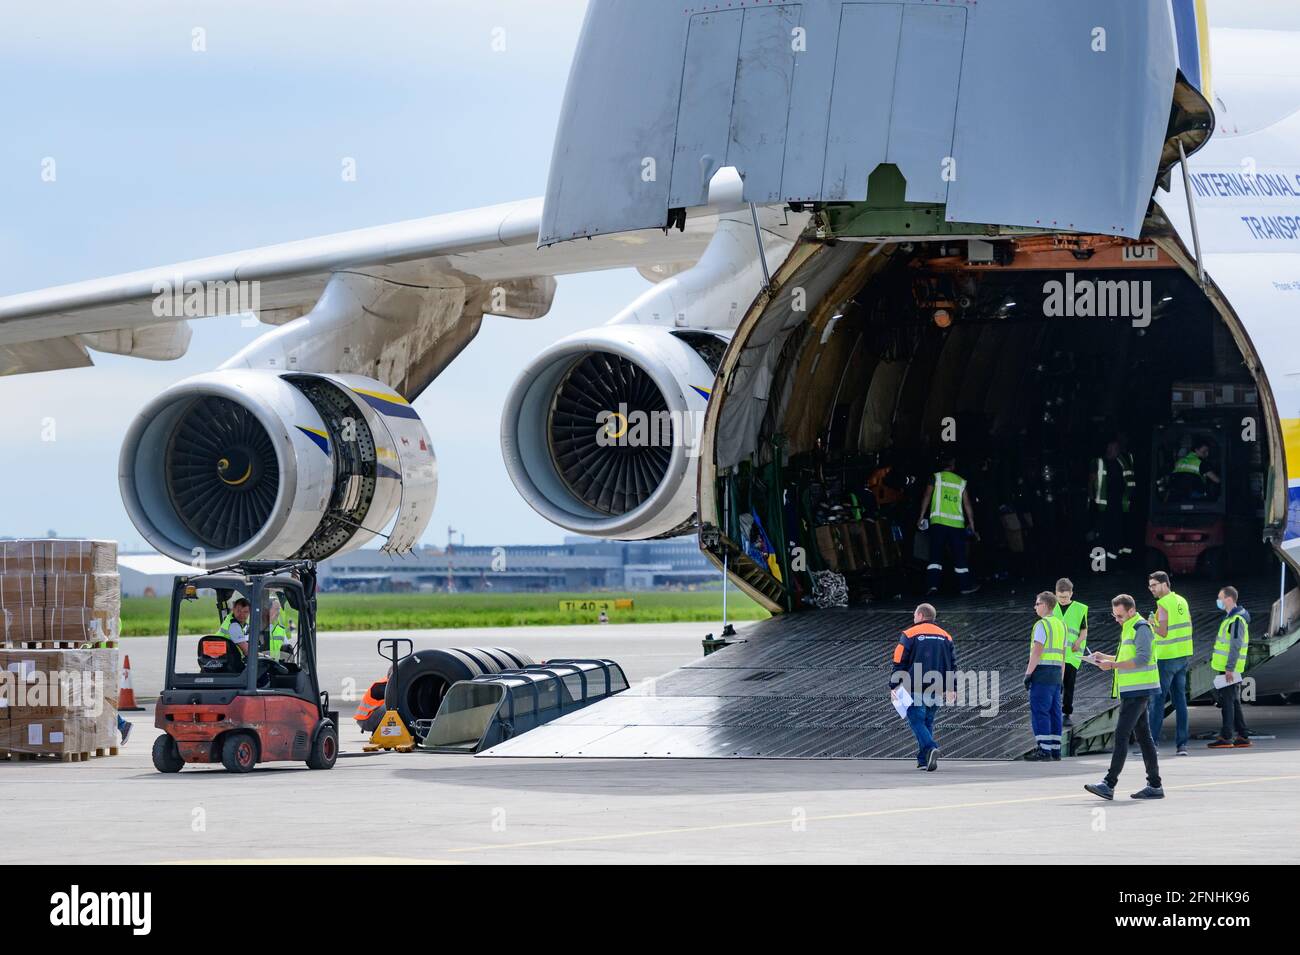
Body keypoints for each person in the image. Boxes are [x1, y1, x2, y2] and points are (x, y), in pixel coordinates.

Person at [1084, 594, 1164, 800]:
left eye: (1120, 616)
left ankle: (1109, 784)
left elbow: (1143, 658)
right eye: (1115, 616)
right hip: (1134, 690)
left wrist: (1112, 665)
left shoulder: (1141, 627)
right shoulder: (1130, 627)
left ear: (1130, 611)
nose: (1117, 620)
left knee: (1121, 735)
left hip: (1138, 691)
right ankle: (1155, 785)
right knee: (1144, 738)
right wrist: (1105, 657)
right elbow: (1127, 658)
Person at [890, 602, 957, 772]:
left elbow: (899, 660)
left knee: (916, 721)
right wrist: (952, 687)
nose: (913, 617)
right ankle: (923, 760)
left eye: (914, 615)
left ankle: (931, 747)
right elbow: (952, 664)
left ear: (920, 616)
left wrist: (894, 684)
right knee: (927, 722)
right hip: (937, 686)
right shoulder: (945, 636)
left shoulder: (909, 634)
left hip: (914, 686)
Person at [917, 455, 979, 596]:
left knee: (935, 556)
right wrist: (972, 524)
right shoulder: (961, 482)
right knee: (960, 556)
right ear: (953, 464)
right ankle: (965, 586)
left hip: (938, 522)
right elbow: (967, 504)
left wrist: (921, 516)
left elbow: (926, 496)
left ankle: (932, 586)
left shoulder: (935, 477)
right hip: (957, 524)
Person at [1147, 571, 1192, 755]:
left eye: (1154, 585)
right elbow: (1189, 623)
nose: (1152, 589)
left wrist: (1151, 623)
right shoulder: (1182, 601)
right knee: (1180, 701)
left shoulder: (1163, 604)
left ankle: (1152, 744)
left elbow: (1163, 632)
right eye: (1150, 586)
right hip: (1183, 656)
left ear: (1165, 584)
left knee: (1157, 701)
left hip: (1166, 658)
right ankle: (1182, 745)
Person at [1024, 591, 1066, 761]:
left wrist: (1028, 673)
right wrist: (1062, 678)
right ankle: (1055, 750)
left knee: (1040, 711)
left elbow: (1037, 651)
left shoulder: (1042, 625)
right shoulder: (1061, 625)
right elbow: (1063, 654)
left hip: (1042, 672)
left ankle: (1044, 749)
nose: (1035, 607)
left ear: (1046, 605)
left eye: (1037, 604)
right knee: (1055, 711)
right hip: (1056, 674)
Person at [1208, 585, 1252, 749]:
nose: (1218, 601)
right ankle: (1243, 735)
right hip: (1229, 667)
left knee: (1227, 702)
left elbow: (1235, 645)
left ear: (1228, 599)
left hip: (1229, 668)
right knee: (1233, 701)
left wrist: (1229, 668)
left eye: (1220, 598)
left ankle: (1226, 736)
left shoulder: (1236, 620)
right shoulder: (1232, 618)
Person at [1052, 578, 1088, 727]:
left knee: (1069, 684)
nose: (1063, 600)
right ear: (1056, 594)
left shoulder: (1079, 609)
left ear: (1071, 594)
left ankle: (1066, 713)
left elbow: (1084, 630)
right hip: (1055, 654)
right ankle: (1053, 712)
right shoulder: (1051, 607)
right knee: (1055, 684)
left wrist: (1078, 642)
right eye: (1060, 597)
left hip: (1071, 655)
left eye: (1066, 597)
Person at [1088, 439, 1128, 566]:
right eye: (1114, 448)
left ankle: (1112, 565)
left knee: (1114, 535)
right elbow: (1090, 482)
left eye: (1117, 448)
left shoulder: (1120, 462)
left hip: (1116, 505)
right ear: (1109, 448)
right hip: (1102, 507)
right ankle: (1098, 566)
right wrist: (1092, 500)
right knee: (1100, 536)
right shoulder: (1098, 462)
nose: (1116, 451)